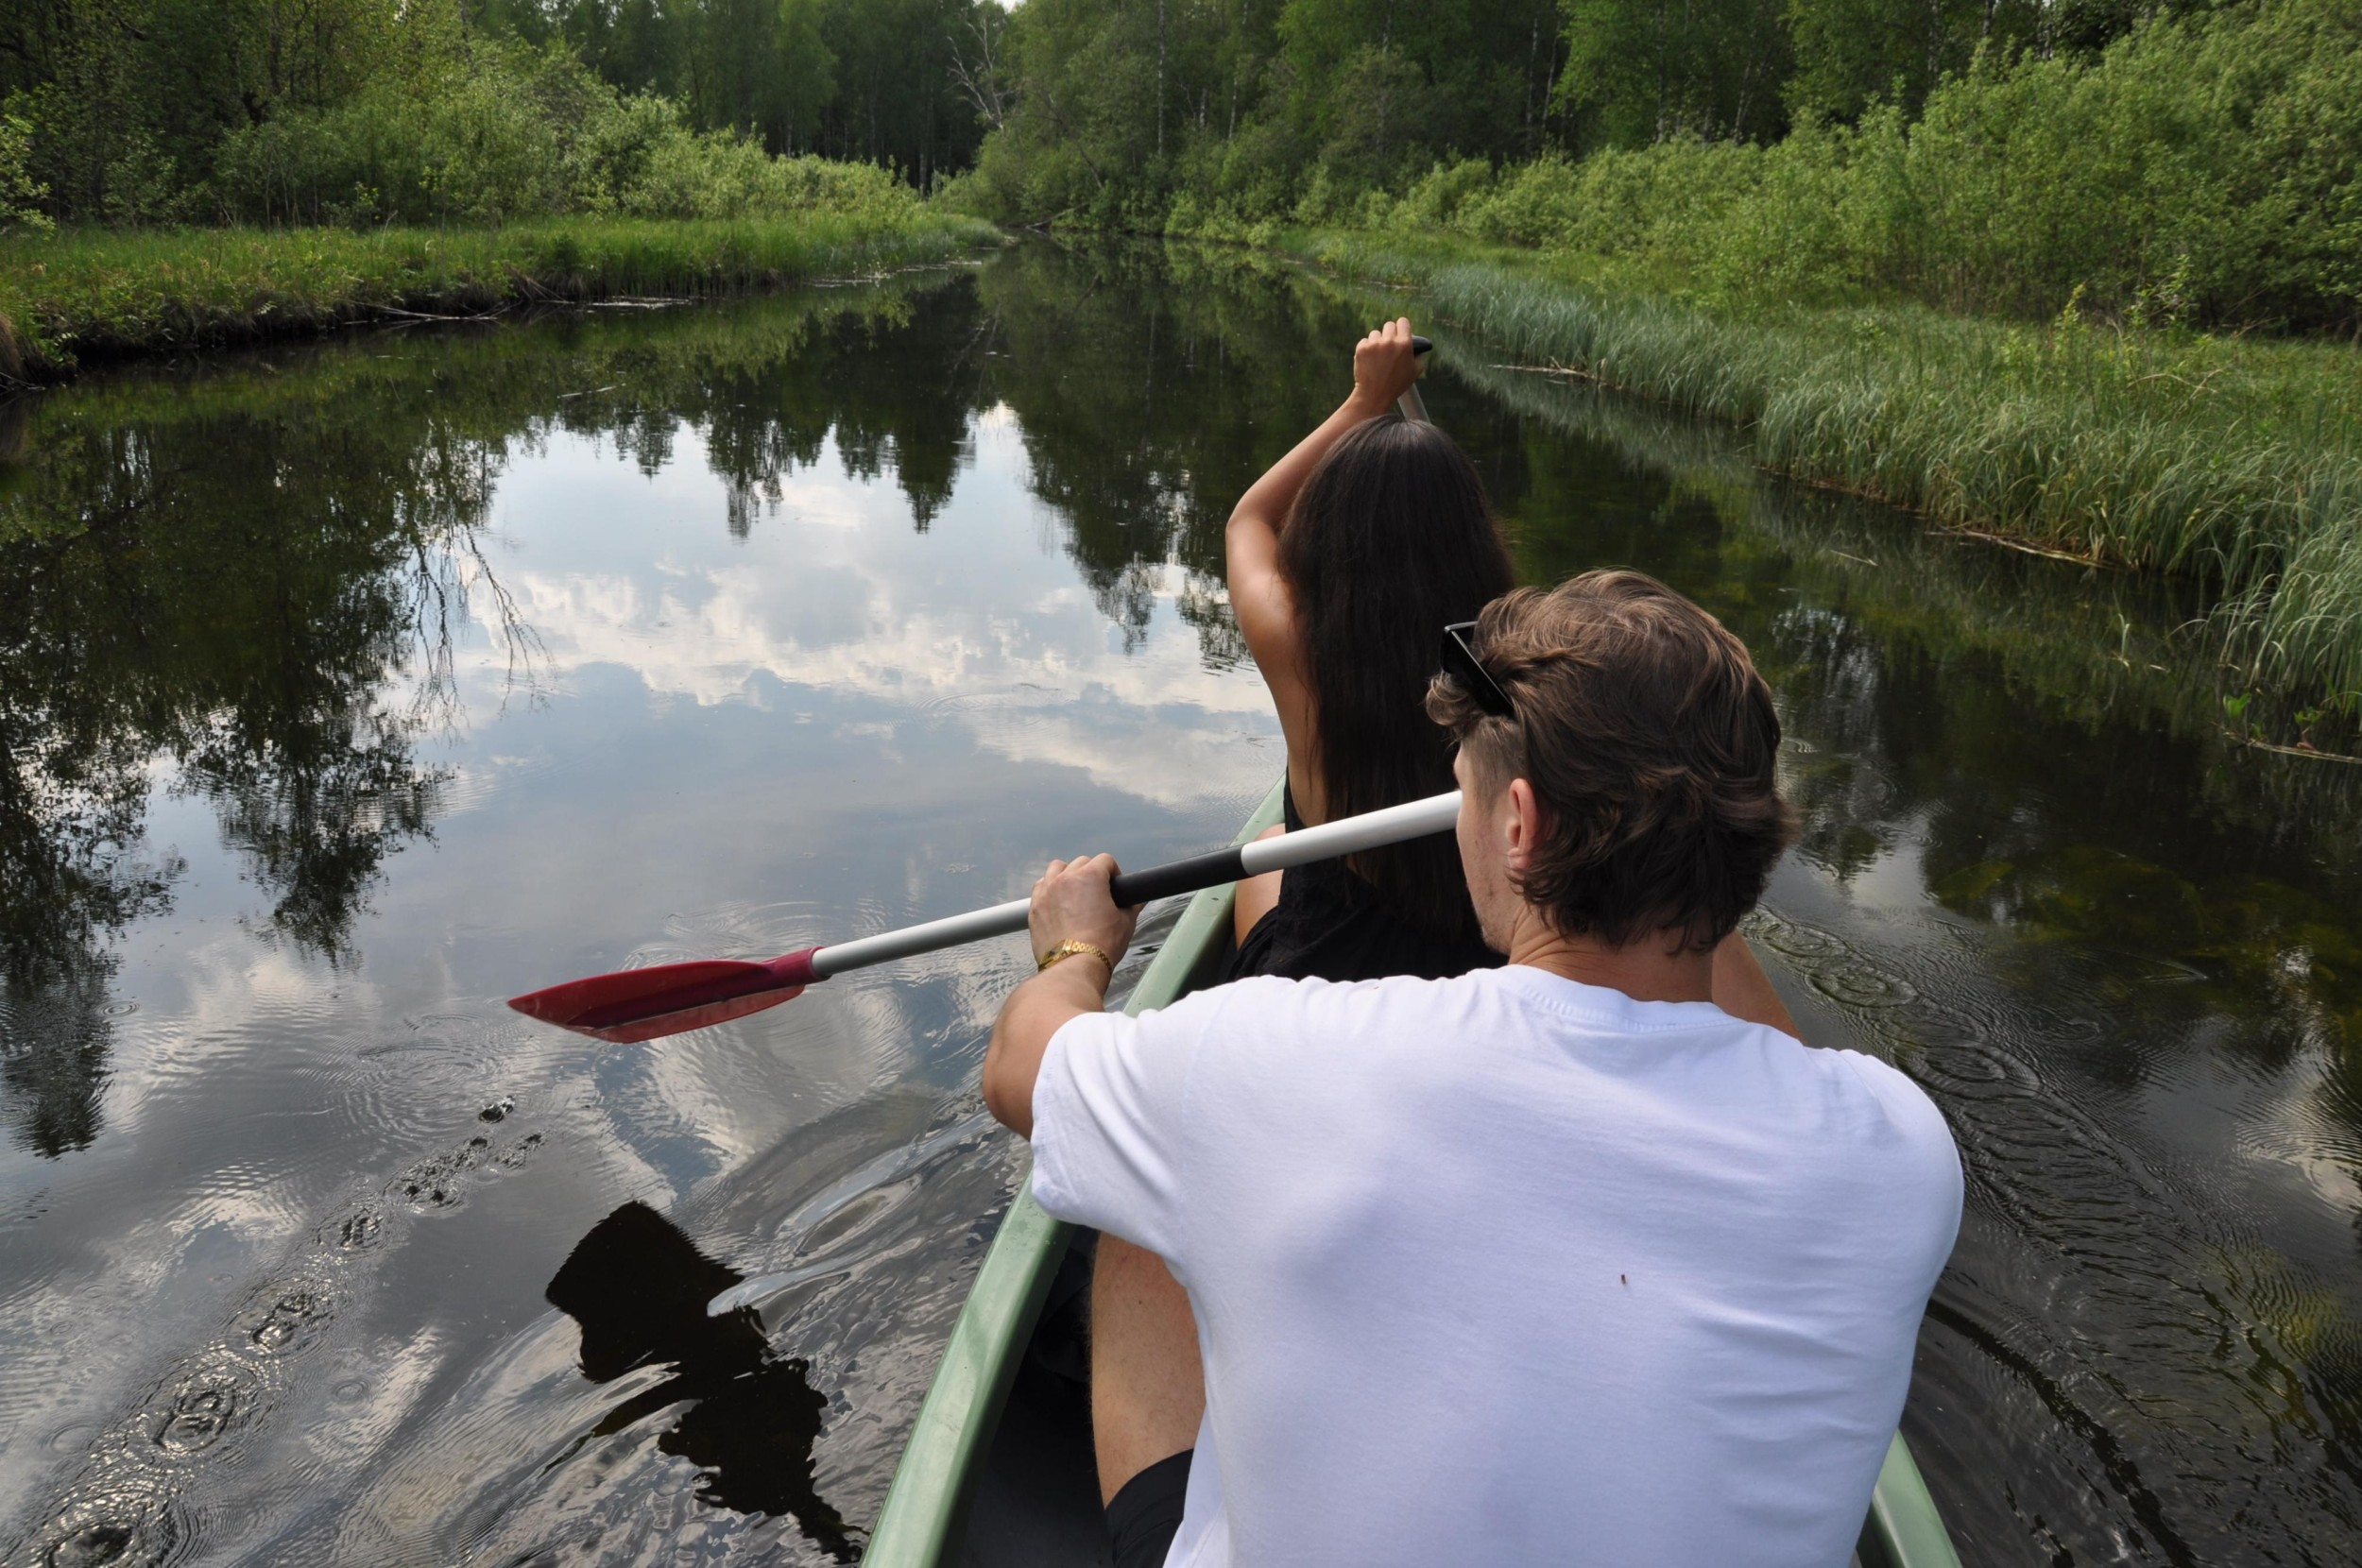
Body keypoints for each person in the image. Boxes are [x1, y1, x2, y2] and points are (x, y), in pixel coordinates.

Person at [984, 571, 1963, 1567]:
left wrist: (1077, 948)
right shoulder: (1898, 1148)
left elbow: (1022, 1064)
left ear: (1520, 826)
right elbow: (1766, 1057)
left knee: (1139, 1207)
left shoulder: (1273, 1058)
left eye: (1465, 794)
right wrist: (1696, 862)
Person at [1221, 316, 1512, 982]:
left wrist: (1365, 399)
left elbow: (1251, 520)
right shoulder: (1524, 653)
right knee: (1273, 847)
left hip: (1326, 983)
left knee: (1268, 855)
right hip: (1475, 968)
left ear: (1328, 536)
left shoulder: (1297, 650)